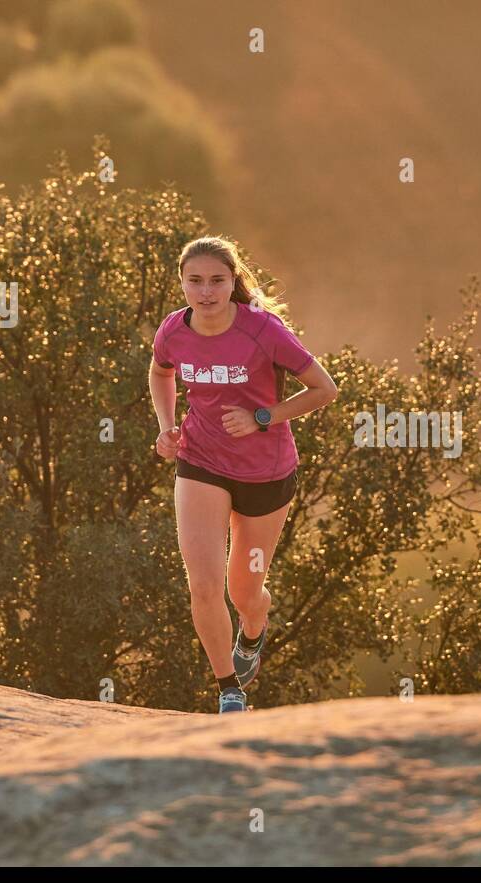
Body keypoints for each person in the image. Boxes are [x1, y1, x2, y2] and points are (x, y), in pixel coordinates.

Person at [149, 236, 338, 713]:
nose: (206, 291)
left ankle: (253, 631)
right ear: (182, 283)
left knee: (243, 590)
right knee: (204, 586)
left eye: (217, 280)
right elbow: (161, 372)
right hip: (201, 462)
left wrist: (262, 417)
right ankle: (229, 690)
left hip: (265, 474)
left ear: (233, 282)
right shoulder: (173, 330)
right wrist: (167, 428)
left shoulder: (263, 330)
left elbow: (324, 389)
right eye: (195, 281)